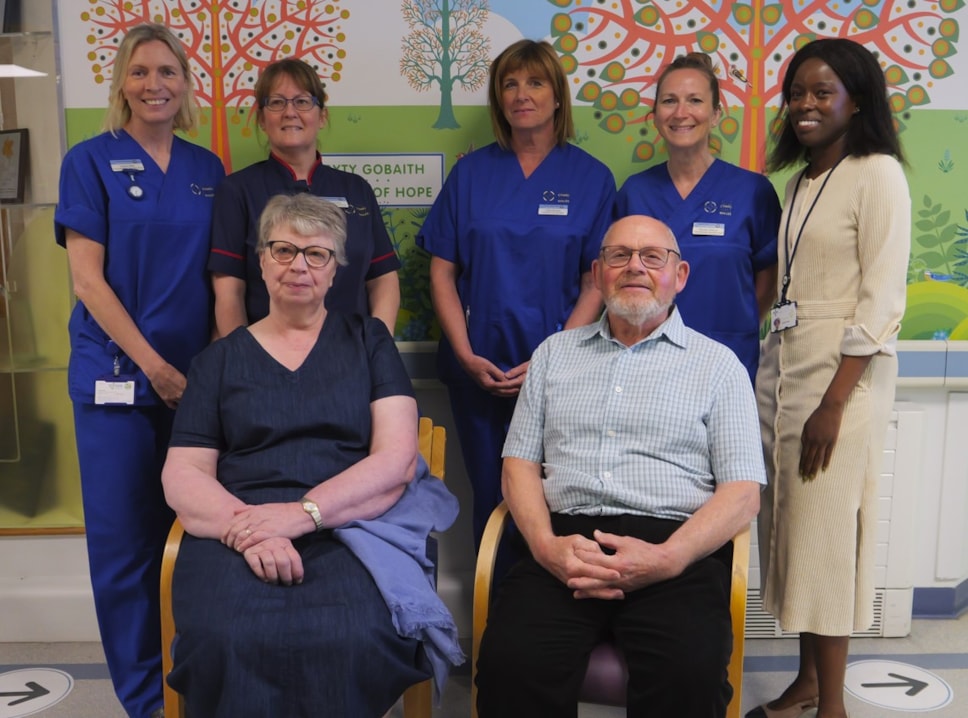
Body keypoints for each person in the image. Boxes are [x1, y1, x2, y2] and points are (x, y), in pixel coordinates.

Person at [161, 193, 463, 717]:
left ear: (334, 269)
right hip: (240, 527)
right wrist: (251, 530)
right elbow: (184, 473)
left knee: (353, 634)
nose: (299, 265)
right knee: (224, 637)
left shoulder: (369, 341)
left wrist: (302, 515)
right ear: (261, 260)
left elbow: (395, 459)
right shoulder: (217, 361)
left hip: (351, 526)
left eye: (316, 254)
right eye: (284, 250)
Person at [475, 215, 765, 717]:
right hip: (565, 547)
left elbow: (743, 492)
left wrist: (669, 558)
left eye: (652, 257)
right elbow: (517, 465)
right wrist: (545, 547)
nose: (635, 267)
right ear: (597, 273)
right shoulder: (553, 356)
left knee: (688, 675)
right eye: (619, 255)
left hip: (675, 552)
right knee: (510, 667)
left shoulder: (719, 366)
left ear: (680, 275)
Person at [53, 23, 224, 718]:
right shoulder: (88, 161)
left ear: (186, 83)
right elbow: (87, 282)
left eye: (168, 72)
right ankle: (147, 701)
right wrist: (157, 368)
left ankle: (195, 686)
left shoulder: (208, 169)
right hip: (117, 381)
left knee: (194, 544)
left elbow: (222, 280)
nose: (155, 84)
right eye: (141, 71)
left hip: (194, 387)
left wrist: (209, 371)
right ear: (121, 83)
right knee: (127, 549)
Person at [750, 38, 910, 718]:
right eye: (797, 93)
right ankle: (807, 681)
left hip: (837, 382)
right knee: (794, 535)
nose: (806, 105)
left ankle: (832, 705)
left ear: (857, 100)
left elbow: (882, 301)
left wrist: (834, 403)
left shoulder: (879, 175)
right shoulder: (801, 181)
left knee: (827, 542)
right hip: (784, 371)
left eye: (823, 92)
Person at [417, 39, 616, 547]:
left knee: (557, 501)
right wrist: (465, 355)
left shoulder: (591, 179)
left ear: (557, 96)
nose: (521, 94)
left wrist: (552, 359)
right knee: (492, 494)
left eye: (535, 82)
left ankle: (553, 596)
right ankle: (492, 597)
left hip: (559, 372)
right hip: (478, 368)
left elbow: (595, 281)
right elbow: (442, 272)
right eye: (510, 84)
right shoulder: (470, 174)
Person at [615, 52, 779, 382]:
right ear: (655, 115)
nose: (681, 113)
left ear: (716, 114)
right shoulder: (635, 192)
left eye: (695, 100)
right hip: (648, 361)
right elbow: (617, 276)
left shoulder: (752, 191)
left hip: (728, 358)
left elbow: (769, 275)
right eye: (669, 101)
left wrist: (741, 322)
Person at [209, 57, 400, 336]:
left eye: (302, 101)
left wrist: (378, 347)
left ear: (322, 116)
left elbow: (382, 278)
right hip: (267, 355)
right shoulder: (237, 190)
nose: (290, 112)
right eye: (277, 102)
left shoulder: (357, 189)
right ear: (261, 119)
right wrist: (242, 356)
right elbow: (229, 291)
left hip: (353, 353)